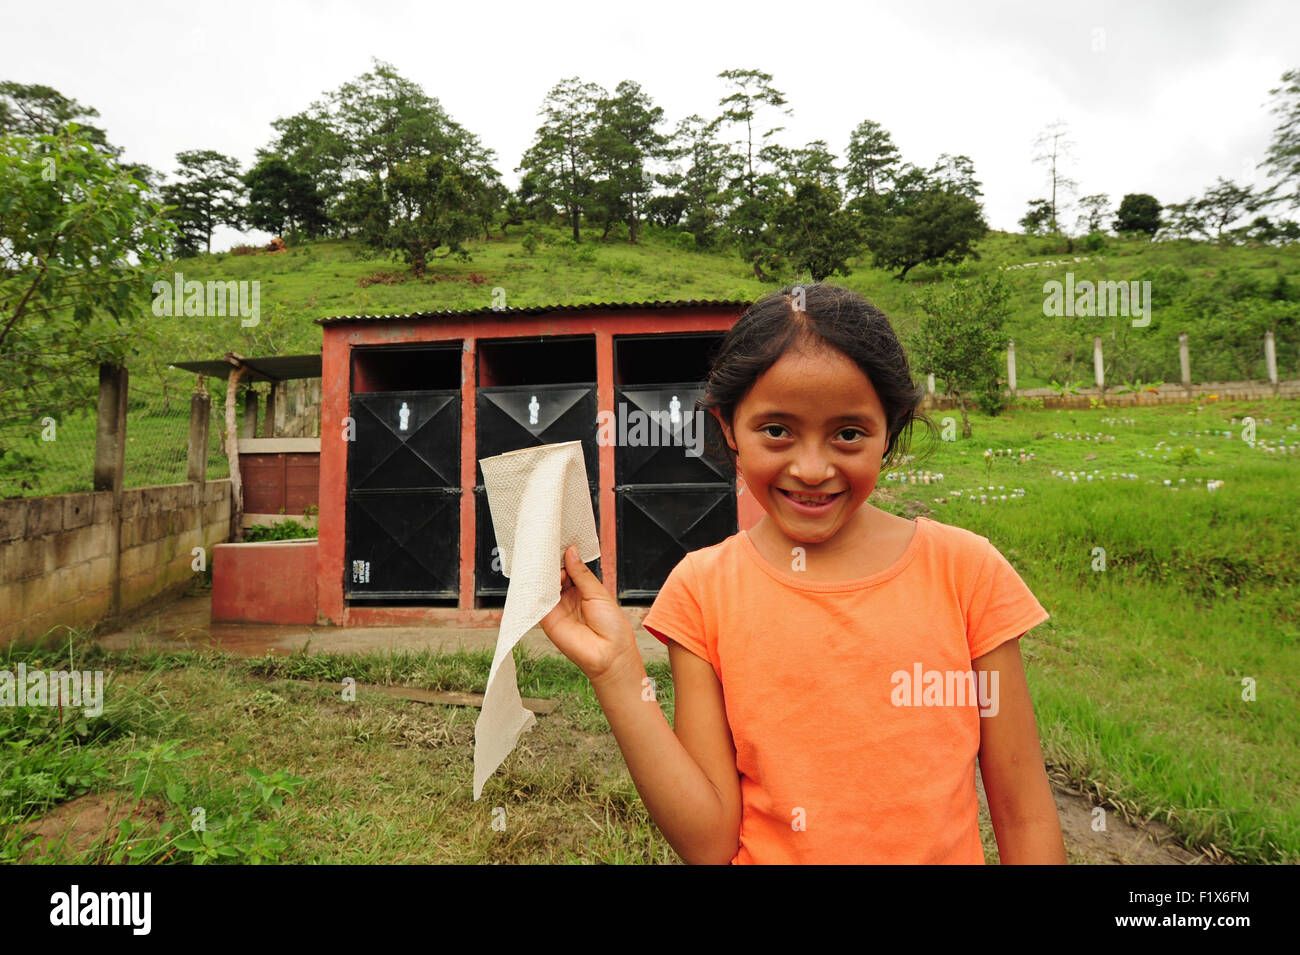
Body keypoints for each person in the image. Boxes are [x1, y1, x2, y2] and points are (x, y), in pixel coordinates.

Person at [539, 283, 1066, 865]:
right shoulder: (703, 590)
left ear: (889, 430)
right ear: (727, 426)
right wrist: (616, 671)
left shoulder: (966, 573)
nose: (812, 469)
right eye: (777, 430)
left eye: (848, 433)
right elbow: (710, 845)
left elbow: (1024, 812)